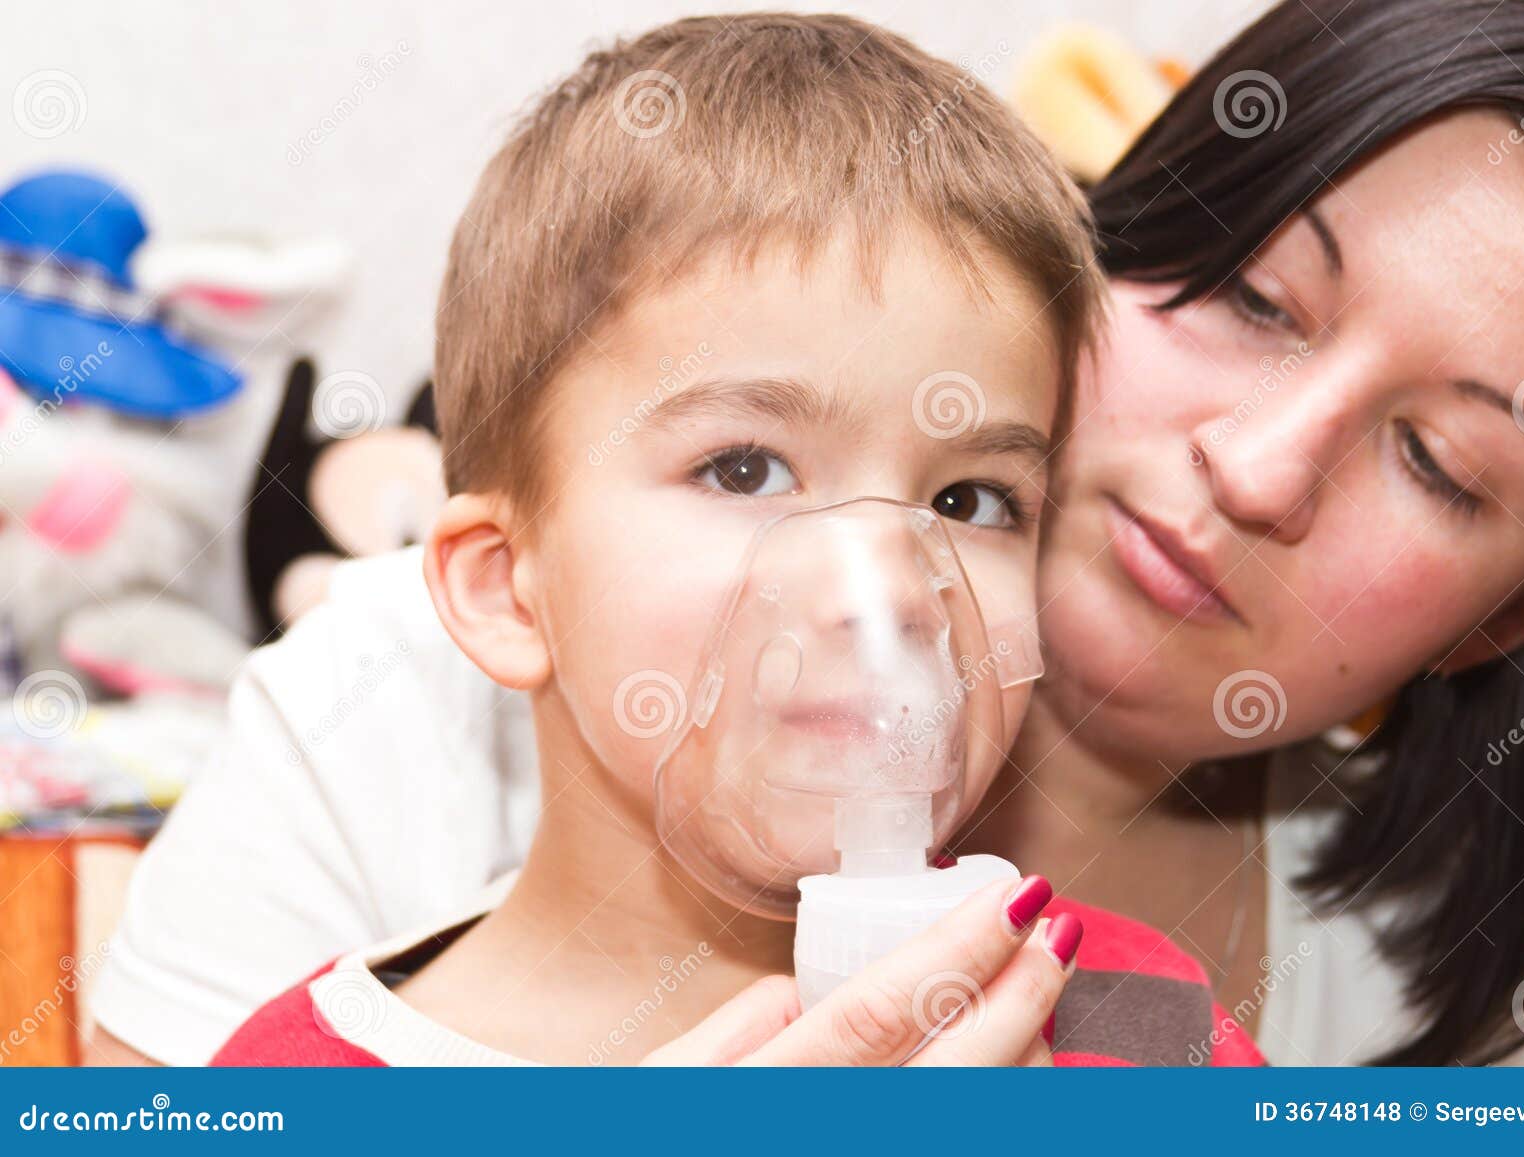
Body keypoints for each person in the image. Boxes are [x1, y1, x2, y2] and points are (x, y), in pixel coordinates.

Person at [92, 0, 1524, 1067]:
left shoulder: (1152, 1022)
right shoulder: (317, 983)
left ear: (1515, 619)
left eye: (1442, 460)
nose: (1262, 466)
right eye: (1259, 299)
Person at [205, 11, 1190, 1067]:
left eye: (970, 500)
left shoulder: (1140, 1026)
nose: (891, 587)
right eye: (744, 468)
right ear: (506, 590)